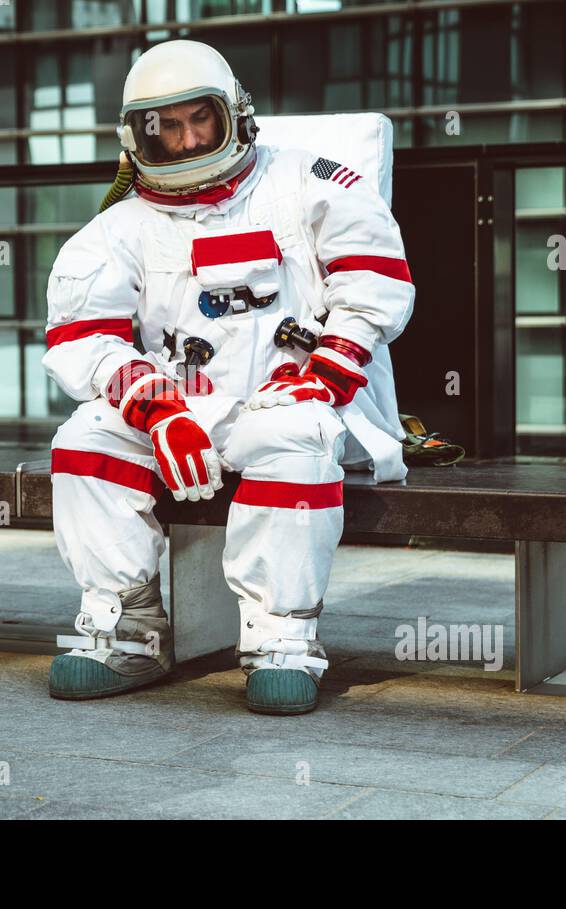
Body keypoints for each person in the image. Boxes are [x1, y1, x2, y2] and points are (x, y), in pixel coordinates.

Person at [42, 39, 415, 715]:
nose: (185, 140)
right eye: (166, 126)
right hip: (179, 411)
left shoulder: (310, 182)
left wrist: (326, 372)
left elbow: (374, 288)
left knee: (297, 437)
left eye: (200, 120)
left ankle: (282, 640)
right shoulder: (120, 226)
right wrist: (154, 407)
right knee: (84, 440)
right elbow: (82, 337)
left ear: (235, 114)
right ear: (136, 137)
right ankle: (129, 626)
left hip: (292, 396)